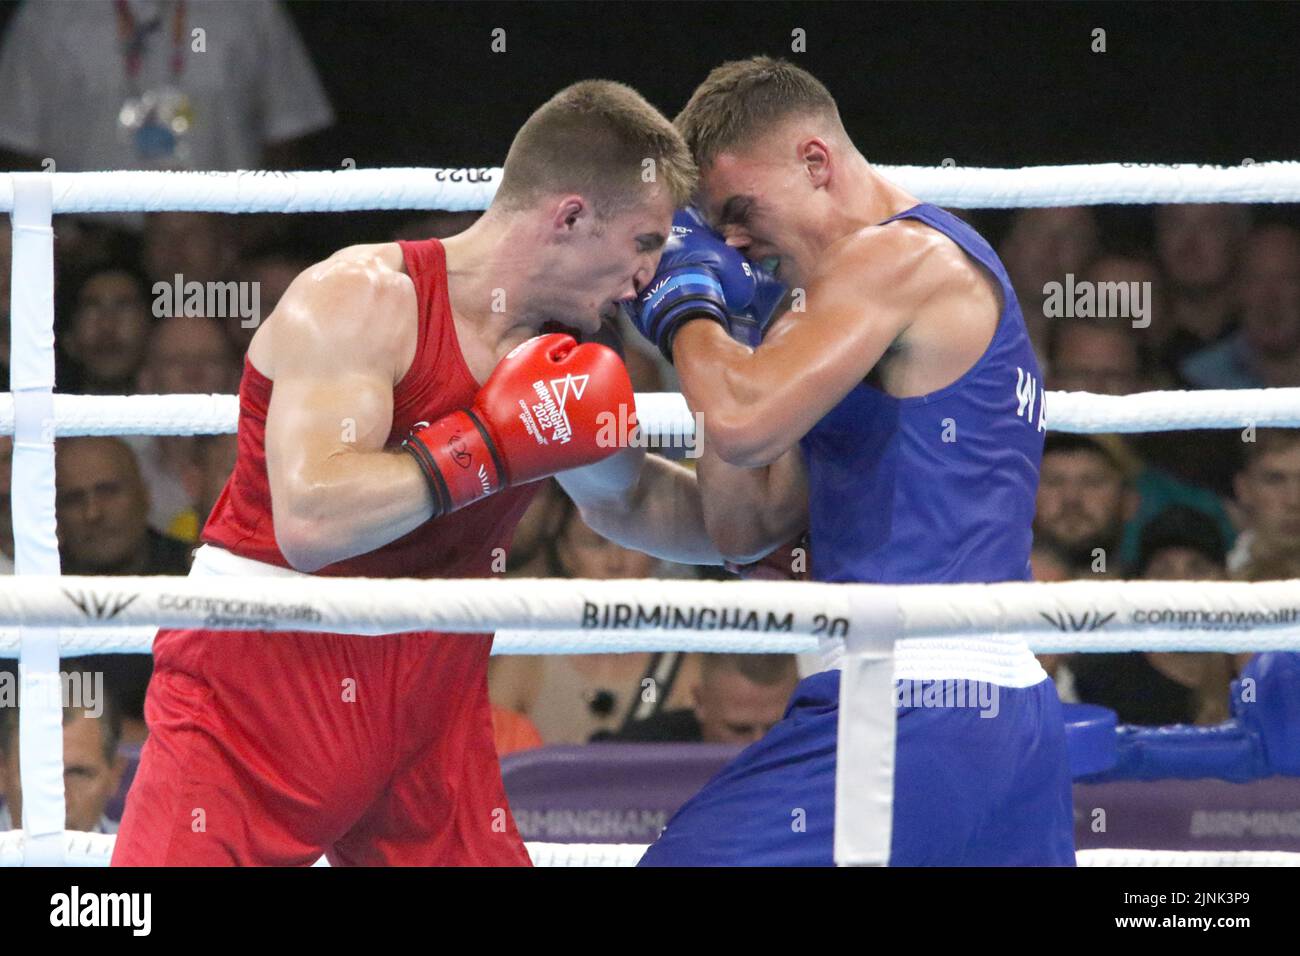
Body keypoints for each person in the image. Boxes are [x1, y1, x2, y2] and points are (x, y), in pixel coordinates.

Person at [112, 80, 720, 867]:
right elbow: (313, 521)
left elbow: (633, 499)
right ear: (569, 216)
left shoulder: (563, 364)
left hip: (432, 692)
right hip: (265, 676)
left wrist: (790, 532)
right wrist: (486, 447)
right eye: (643, 243)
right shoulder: (362, 300)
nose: (646, 279)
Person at [627, 57, 1072, 866]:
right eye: (713, 226)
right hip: (985, 717)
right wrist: (728, 325)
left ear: (815, 162)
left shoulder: (897, 259)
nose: (730, 239)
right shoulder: (831, 311)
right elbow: (744, 529)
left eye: (738, 210)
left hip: (912, 702)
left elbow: (742, 421)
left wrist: (686, 301)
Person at [599, 653, 800, 745]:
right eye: (740, 730)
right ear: (700, 702)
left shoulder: (828, 754)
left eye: (776, 728)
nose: (759, 745)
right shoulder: (637, 755)